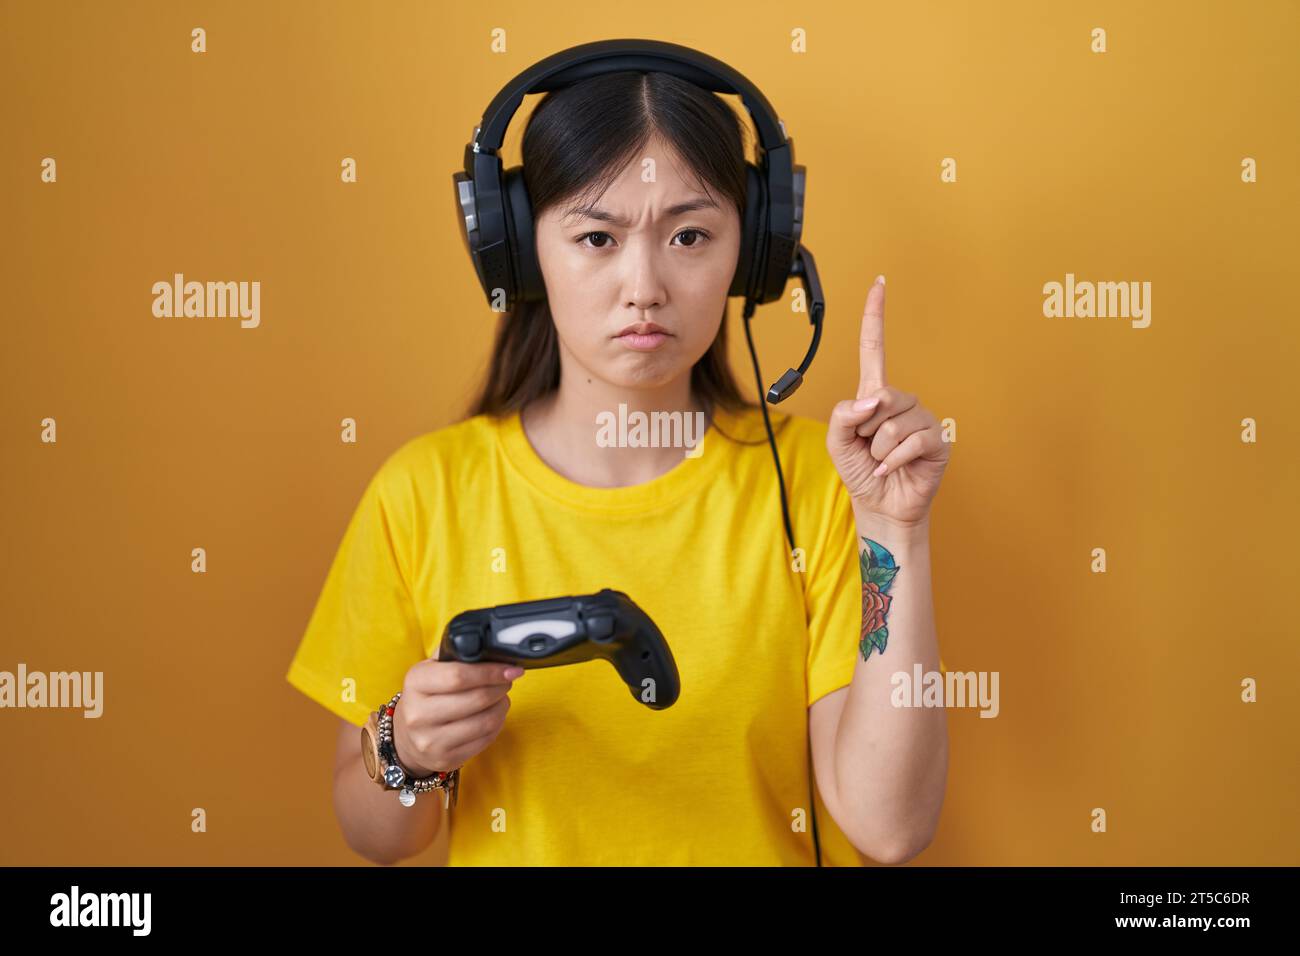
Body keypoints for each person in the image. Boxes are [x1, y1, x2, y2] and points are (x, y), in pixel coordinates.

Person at [285, 69, 949, 866]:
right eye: (597, 238)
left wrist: (893, 530)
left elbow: (891, 827)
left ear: (755, 250)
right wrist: (407, 751)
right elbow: (375, 838)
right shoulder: (421, 494)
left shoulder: (821, 483)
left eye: (690, 236)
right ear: (520, 249)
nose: (645, 289)